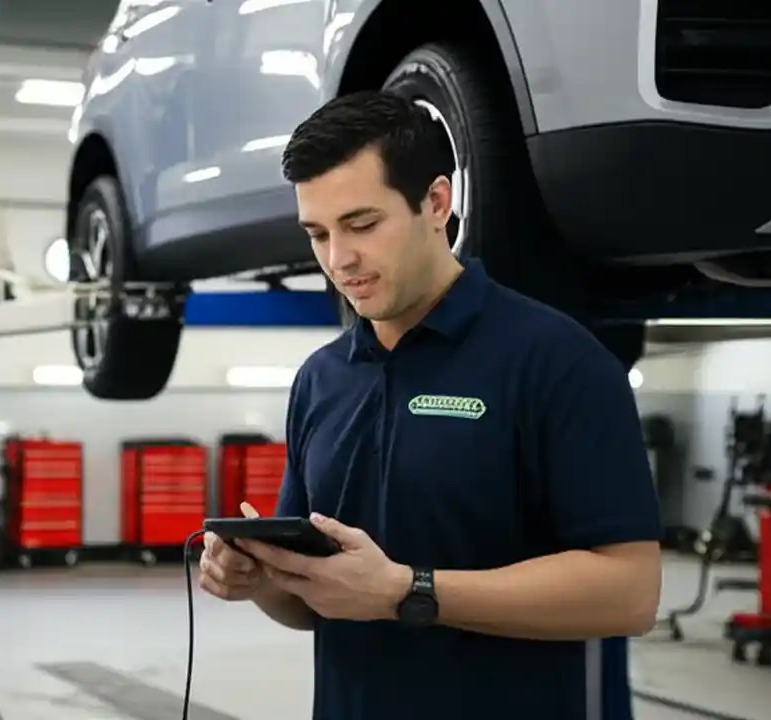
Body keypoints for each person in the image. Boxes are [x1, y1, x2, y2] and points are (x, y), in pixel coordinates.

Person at [197, 90, 663, 720]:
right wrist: (260, 582)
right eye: (318, 234)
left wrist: (407, 592)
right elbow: (315, 601)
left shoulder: (557, 361)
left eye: (362, 224)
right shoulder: (322, 379)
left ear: (437, 203)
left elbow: (628, 594)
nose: (339, 259)